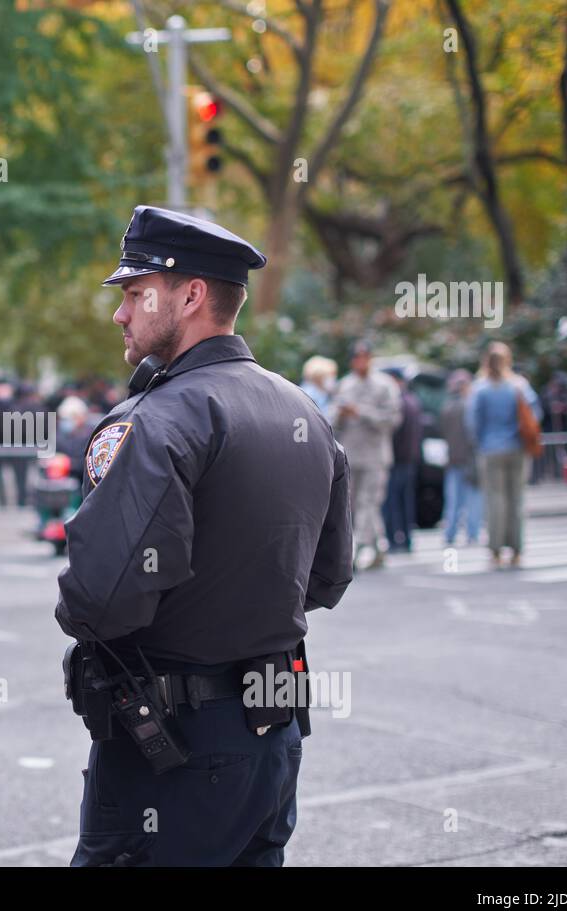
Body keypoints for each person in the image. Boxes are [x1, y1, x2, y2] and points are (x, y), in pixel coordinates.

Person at [55, 205, 354, 867]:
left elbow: (101, 602)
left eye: (135, 293)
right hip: (271, 736)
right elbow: (328, 577)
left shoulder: (159, 420)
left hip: (174, 747)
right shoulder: (301, 409)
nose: (120, 312)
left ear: (189, 295)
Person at [467, 341, 539, 569]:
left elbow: (473, 422)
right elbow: (535, 413)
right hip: (517, 447)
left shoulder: (480, 388)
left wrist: (481, 442)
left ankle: (496, 549)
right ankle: (516, 549)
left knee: (495, 500)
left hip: (490, 449)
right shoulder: (518, 385)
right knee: (516, 499)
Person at [331, 341, 400, 569]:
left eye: (364, 356)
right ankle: (380, 547)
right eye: (356, 357)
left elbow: (392, 420)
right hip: (351, 453)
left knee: (369, 502)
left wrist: (361, 412)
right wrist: (341, 414)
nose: (360, 361)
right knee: (352, 505)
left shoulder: (385, 385)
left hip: (375, 455)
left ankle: (357, 550)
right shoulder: (345, 385)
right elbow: (332, 421)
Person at [439, 369, 482, 547]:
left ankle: (450, 533)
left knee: (453, 500)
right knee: (473, 499)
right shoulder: (469, 407)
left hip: (452, 458)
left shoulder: (446, 408)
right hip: (469, 459)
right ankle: (472, 533)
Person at [382, 369, 422, 553]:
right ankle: (406, 539)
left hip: (397, 458)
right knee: (406, 501)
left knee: (392, 502)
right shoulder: (412, 401)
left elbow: (395, 432)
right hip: (409, 458)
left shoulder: (399, 402)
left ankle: (393, 539)